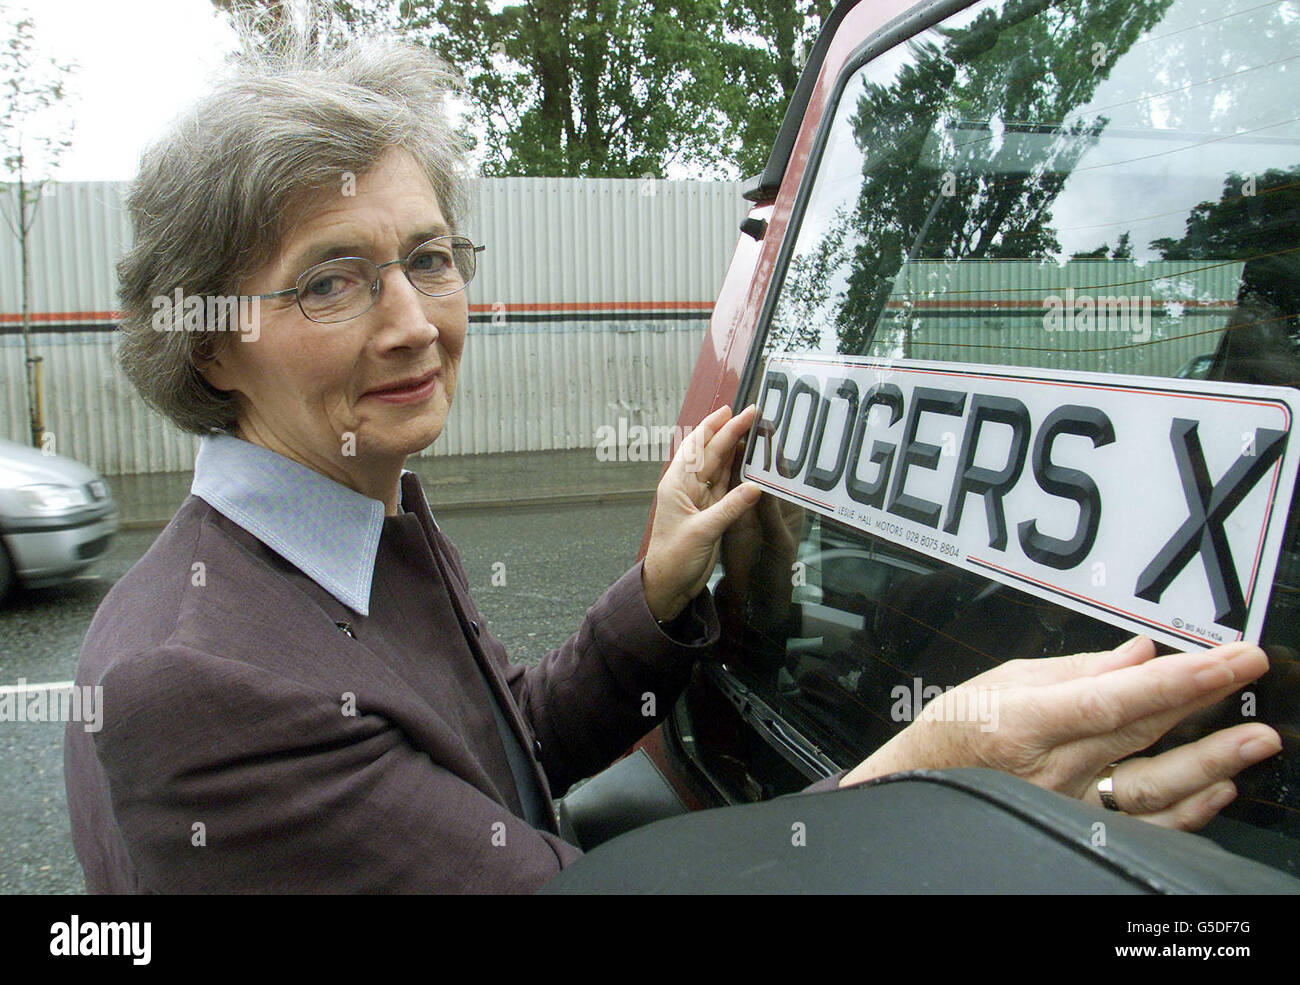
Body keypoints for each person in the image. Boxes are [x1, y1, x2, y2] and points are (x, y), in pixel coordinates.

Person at [64, 31, 1280, 894]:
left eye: (429, 258)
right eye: (332, 278)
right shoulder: (200, 684)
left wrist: (654, 594)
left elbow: (498, 763)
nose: (410, 322)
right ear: (209, 343)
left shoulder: (347, 516)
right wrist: (940, 778)